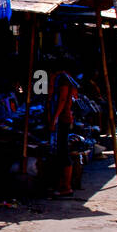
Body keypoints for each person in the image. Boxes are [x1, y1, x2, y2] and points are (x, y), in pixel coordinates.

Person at [47, 64, 79, 196]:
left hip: (63, 119)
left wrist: (54, 118)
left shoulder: (63, 79)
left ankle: (66, 186)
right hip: (63, 118)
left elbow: (62, 99)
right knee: (61, 151)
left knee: (63, 152)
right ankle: (62, 184)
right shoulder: (65, 78)